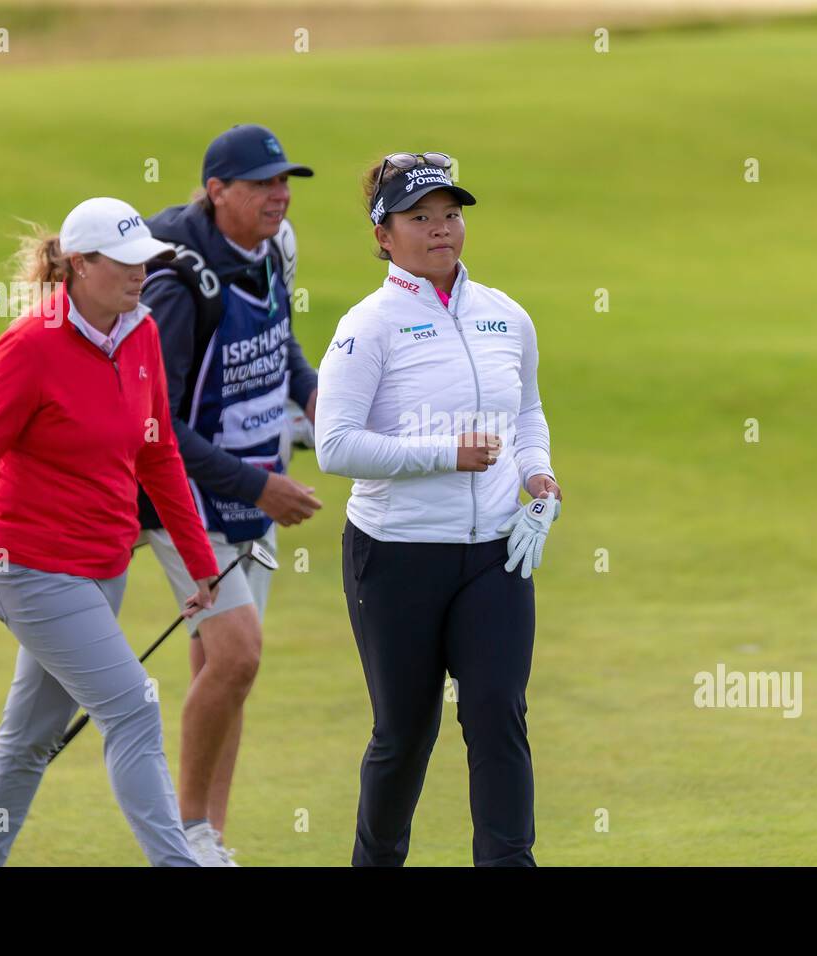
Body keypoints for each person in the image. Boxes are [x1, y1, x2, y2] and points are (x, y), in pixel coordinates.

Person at [0, 197, 222, 867]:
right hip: (27, 565)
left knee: (27, 740)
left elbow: (159, 451)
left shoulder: (139, 332)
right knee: (134, 709)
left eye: (148, 261)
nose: (144, 275)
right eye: (127, 263)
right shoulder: (30, 345)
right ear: (80, 266)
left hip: (104, 563)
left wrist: (198, 559)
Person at [315, 152, 563, 866]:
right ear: (383, 234)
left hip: (495, 552)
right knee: (405, 732)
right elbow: (334, 446)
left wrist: (538, 477)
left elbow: (528, 411)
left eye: (450, 215)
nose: (441, 229)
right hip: (396, 556)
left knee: (497, 714)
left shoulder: (505, 316)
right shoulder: (369, 327)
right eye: (419, 218)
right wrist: (443, 453)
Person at [135, 124, 322, 865]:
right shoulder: (178, 291)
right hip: (189, 501)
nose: (279, 194)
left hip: (249, 491)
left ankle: (211, 835)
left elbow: (282, 340)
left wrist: (314, 393)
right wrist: (258, 486)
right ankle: (185, 837)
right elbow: (156, 427)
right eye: (262, 184)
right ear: (218, 193)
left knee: (221, 669)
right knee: (239, 657)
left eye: (285, 182)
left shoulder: (272, 249)